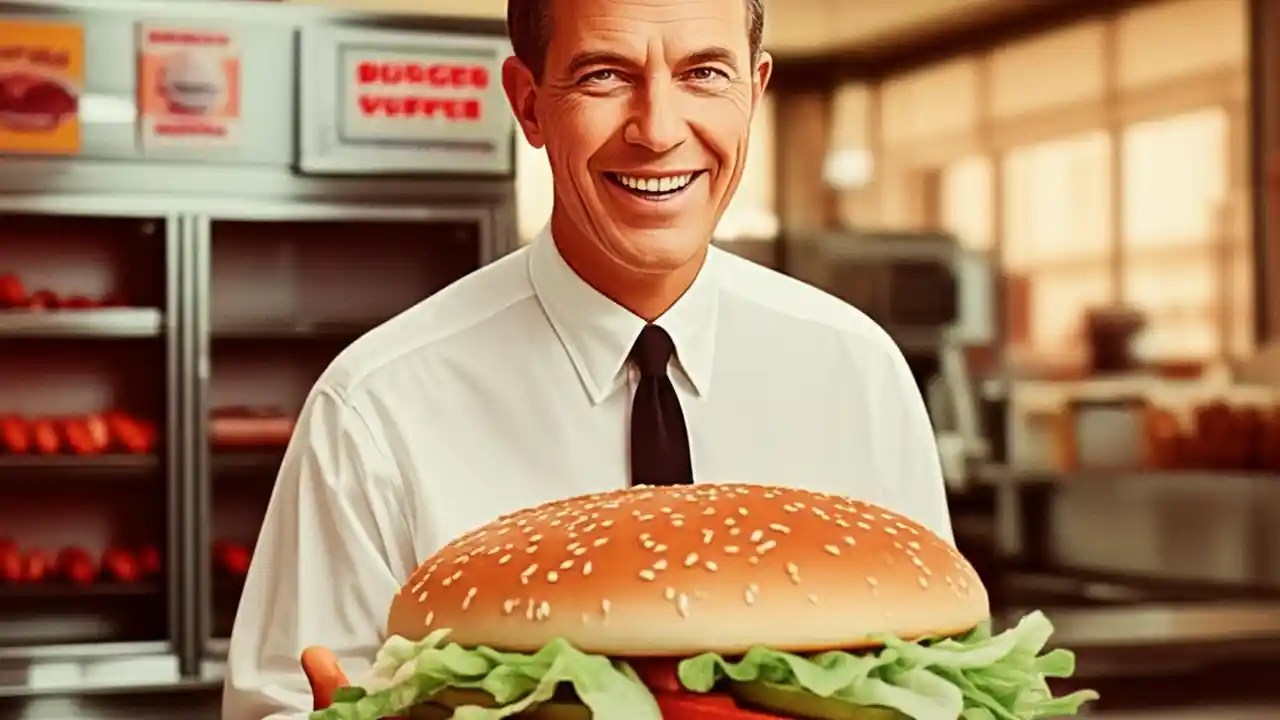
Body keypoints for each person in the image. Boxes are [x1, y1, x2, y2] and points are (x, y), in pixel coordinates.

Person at [220, 0, 953, 717]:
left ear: (754, 92)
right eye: (604, 74)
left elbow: (934, 678)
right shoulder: (375, 407)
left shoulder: (859, 372)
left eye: (704, 73)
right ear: (529, 103)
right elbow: (287, 705)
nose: (659, 130)